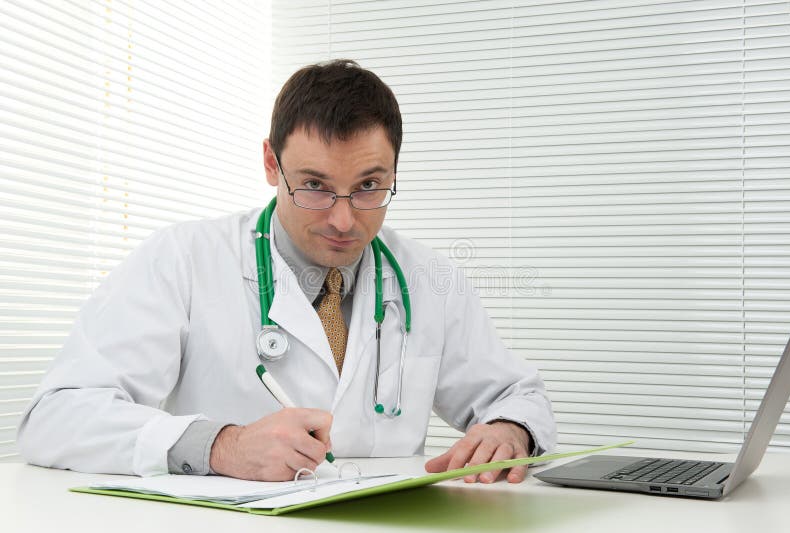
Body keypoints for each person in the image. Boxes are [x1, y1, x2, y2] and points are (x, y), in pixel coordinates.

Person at [18, 59, 556, 484]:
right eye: (315, 186)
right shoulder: (183, 259)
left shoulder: (429, 279)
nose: (343, 220)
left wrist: (509, 430)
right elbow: (57, 417)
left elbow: (518, 396)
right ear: (271, 164)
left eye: (369, 186)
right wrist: (221, 446)